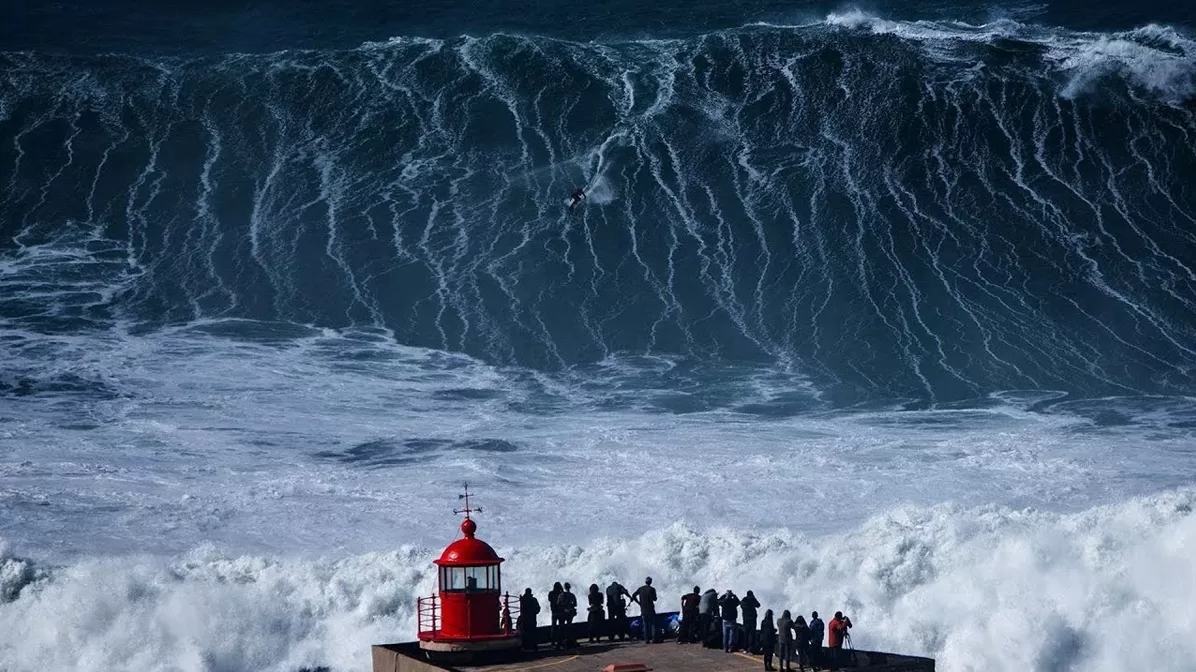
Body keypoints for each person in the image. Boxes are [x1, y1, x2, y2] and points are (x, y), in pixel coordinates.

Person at [632, 577, 658, 644]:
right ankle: (654, 639)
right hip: (651, 609)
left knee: (645, 625)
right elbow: (655, 599)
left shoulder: (641, 589)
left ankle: (646, 640)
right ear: (651, 582)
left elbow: (633, 595)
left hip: (643, 609)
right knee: (653, 624)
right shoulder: (652, 589)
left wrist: (639, 603)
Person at [548, 582, 564, 648]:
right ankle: (560, 641)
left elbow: (549, 600)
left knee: (553, 627)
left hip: (554, 612)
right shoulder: (561, 594)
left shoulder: (551, 593)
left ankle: (553, 641)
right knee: (561, 627)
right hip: (561, 612)